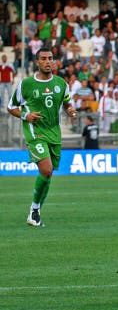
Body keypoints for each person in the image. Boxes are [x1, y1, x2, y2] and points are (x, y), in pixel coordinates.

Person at [6, 48, 78, 227]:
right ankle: (34, 210)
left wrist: (70, 110)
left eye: (50, 58)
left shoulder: (61, 83)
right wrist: (26, 115)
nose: (47, 62)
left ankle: (35, 210)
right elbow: (11, 107)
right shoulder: (27, 84)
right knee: (46, 169)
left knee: (48, 173)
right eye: (43, 59)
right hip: (35, 132)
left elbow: (66, 102)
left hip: (54, 133)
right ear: (37, 62)